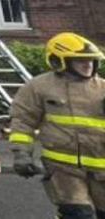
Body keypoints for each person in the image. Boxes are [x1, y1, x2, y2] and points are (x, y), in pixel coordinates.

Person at [10, 32, 105, 219]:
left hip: (101, 168)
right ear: (59, 61)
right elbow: (23, 121)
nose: (88, 65)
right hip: (62, 167)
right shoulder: (39, 87)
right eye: (80, 61)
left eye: (92, 61)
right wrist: (22, 154)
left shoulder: (102, 88)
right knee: (77, 214)